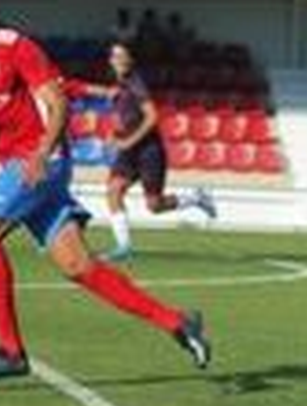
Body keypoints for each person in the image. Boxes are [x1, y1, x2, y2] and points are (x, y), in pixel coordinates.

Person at [0, 3, 211, 382]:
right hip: (27, 165)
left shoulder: (16, 47)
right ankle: (178, 322)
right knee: (78, 265)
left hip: (40, 159)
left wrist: (42, 152)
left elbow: (58, 103)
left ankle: (10, 350)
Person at [73, 41, 216, 261]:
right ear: (111, 61)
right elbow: (124, 114)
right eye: (115, 56)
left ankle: (196, 198)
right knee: (113, 190)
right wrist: (116, 134)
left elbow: (151, 116)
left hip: (149, 151)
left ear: (131, 59)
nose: (119, 60)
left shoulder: (136, 83)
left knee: (154, 205)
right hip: (130, 151)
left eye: (123, 56)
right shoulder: (120, 85)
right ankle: (124, 248)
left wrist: (128, 141)